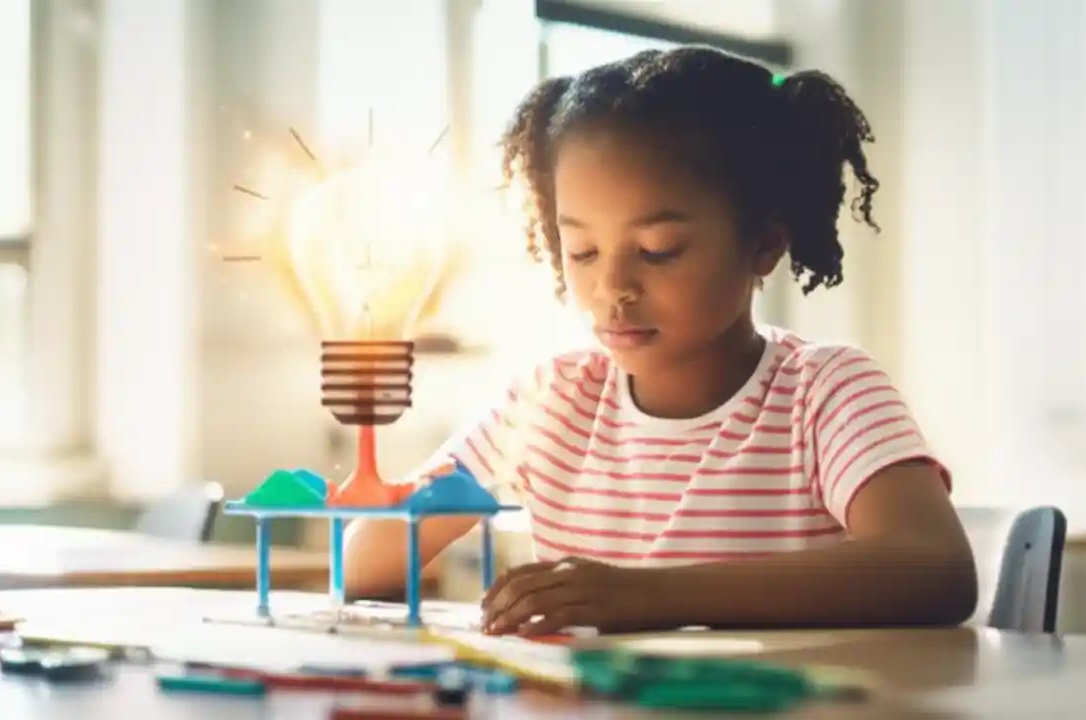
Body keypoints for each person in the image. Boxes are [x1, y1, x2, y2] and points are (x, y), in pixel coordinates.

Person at [343, 46, 976, 635]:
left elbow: (936, 569)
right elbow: (362, 568)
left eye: (658, 250)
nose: (611, 286)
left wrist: (645, 596)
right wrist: (392, 503)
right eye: (582, 250)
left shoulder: (823, 391)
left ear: (763, 243)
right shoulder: (552, 402)